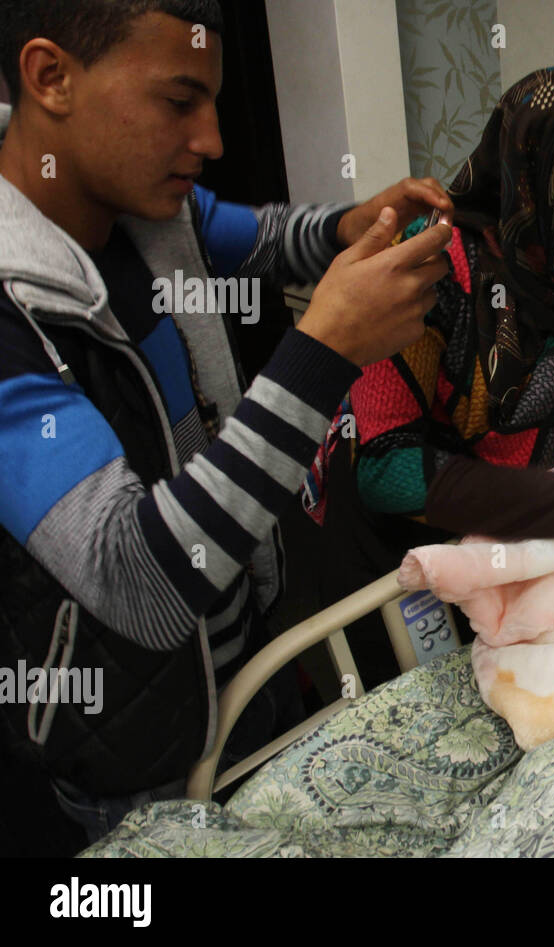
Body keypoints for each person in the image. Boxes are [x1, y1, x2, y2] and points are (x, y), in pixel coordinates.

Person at [0, 0, 458, 847]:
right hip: (130, 751)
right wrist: (324, 354)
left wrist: (351, 226)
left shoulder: (149, 208)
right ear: (50, 77)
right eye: (179, 102)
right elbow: (137, 582)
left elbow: (259, 241)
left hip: (248, 672)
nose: (211, 139)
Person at [335, 65, 554, 565]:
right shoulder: (426, 268)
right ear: (545, 194)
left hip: (530, 543)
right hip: (400, 547)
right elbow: (387, 469)